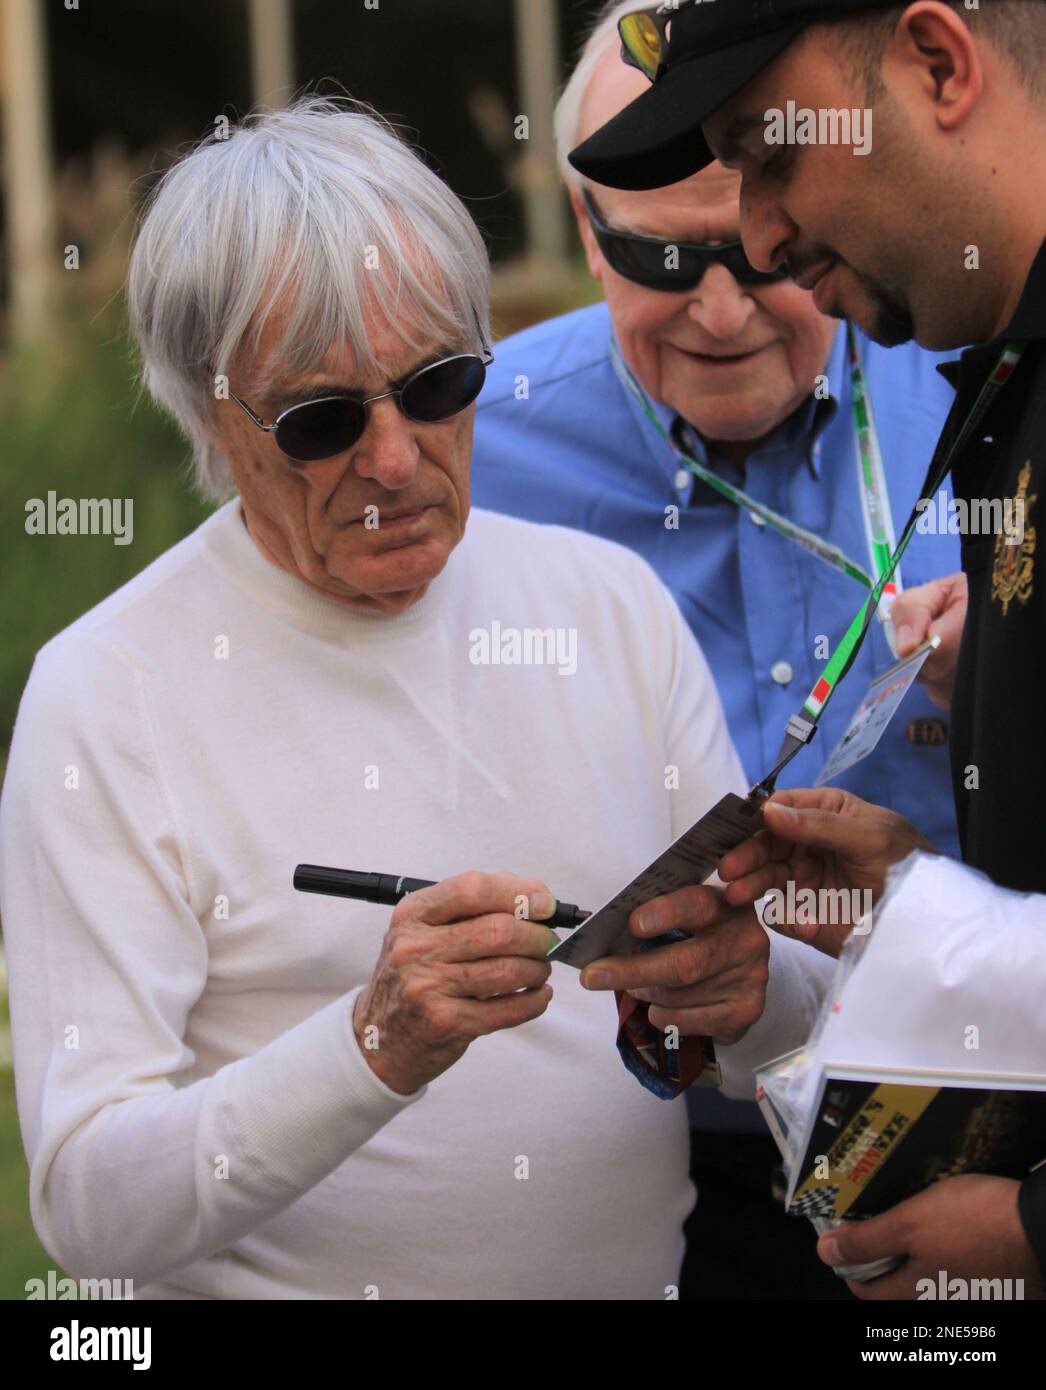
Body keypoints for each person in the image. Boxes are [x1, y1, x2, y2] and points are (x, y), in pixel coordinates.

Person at [0, 95, 826, 1301]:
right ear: (211, 416)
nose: (394, 459)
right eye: (323, 418)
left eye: (438, 385)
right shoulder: (108, 692)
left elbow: (777, 1054)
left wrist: (752, 994)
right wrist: (370, 1044)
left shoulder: (609, 607)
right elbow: (87, 1203)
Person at [471, 0, 961, 1299]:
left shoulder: (986, 397)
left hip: (962, 1116)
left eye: (772, 252)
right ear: (586, 230)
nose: (729, 311)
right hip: (638, 1151)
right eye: (669, 261)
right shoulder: (466, 453)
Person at [568, 0, 1046, 1296]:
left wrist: (1026, 1237)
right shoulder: (997, 375)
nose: (757, 243)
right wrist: (901, 897)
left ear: (939, 65)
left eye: (771, 157)